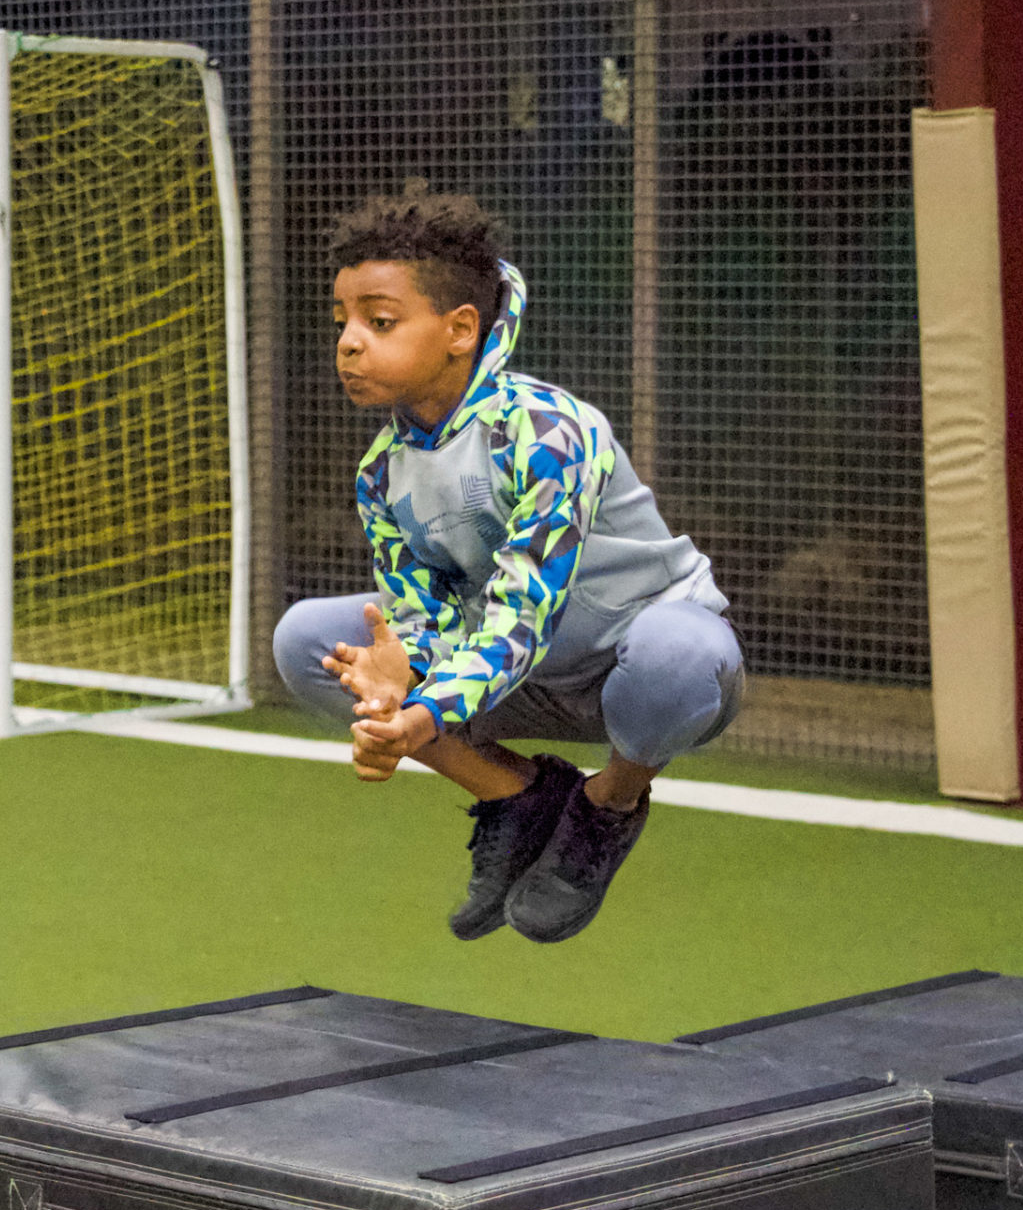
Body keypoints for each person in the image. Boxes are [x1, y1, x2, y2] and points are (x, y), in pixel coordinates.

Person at [273, 187, 744, 943]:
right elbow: (423, 619)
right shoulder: (379, 473)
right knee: (307, 641)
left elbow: (524, 613)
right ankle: (519, 796)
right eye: (344, 322)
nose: (350, 342)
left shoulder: (550, 431)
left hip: (637, 670)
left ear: (460, 330)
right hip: (521, 681)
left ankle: (607, 807)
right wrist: (397, 680)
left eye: (380, 321)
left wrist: (418, 717)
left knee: (678, 654)